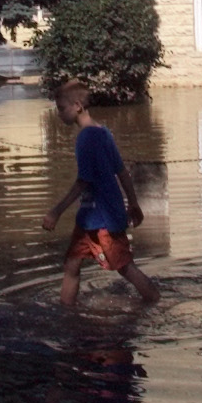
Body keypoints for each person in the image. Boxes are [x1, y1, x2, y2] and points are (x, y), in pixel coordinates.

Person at [41, 79, 160, 305]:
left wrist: (56, 211)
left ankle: (154, 300)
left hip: (103, 218)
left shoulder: (86, 138)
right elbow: (122, 171)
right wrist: (133, 203)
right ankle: (66, 313)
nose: (59, 114)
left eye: (61, 109)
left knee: (124, 266)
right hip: (89, 218)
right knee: (72, 264)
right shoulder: (103, 132)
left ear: (77, 106)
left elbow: (83, 181)